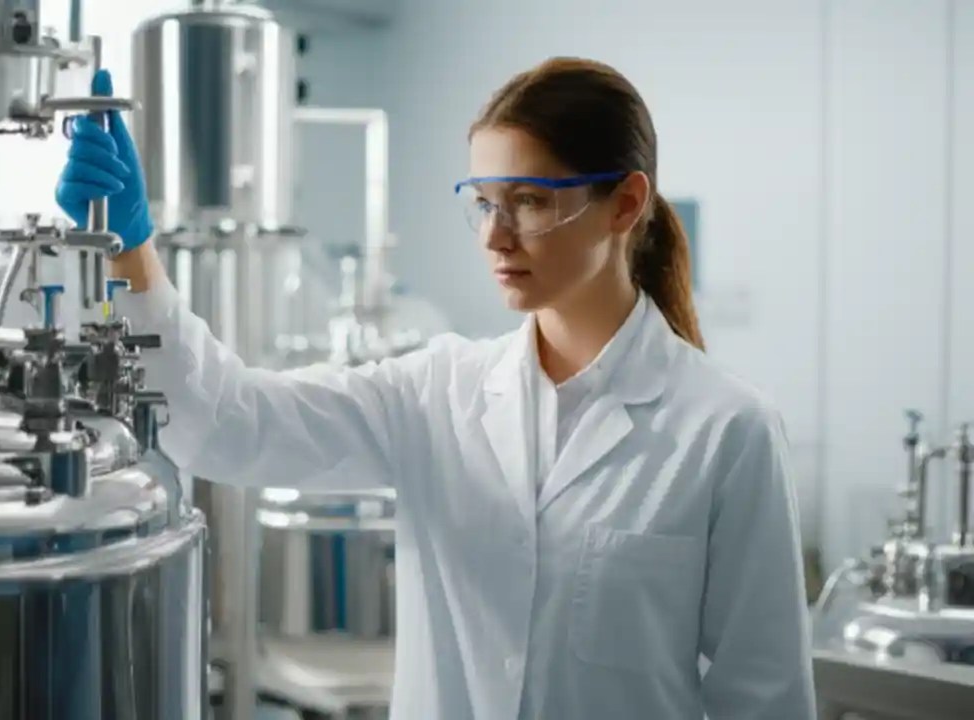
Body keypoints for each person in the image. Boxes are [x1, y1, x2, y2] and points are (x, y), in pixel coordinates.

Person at [56, 59, 816, 720]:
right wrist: (132, 255)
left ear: (624, 204)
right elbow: (227, 426)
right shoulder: (438, 391)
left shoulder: (726, 430)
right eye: (485, 201)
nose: (494, 235)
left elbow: (765, 701)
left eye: (529, 200)